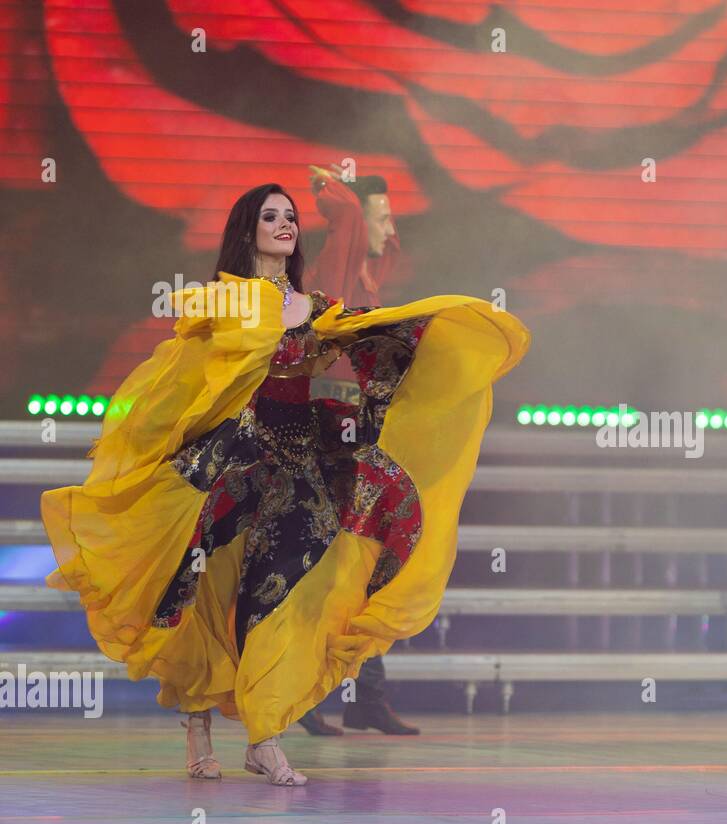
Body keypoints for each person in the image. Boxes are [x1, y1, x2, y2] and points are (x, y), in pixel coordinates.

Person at [40, 183, 530, 784]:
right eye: (271, 216)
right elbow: (182, 381)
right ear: (248, 230)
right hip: (235, 459)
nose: (285, 225)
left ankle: (264, 735)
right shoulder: (222, 301)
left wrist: (444, 333)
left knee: (276, 592)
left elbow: (374, 334)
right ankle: (199, 728)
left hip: (300, 461)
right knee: (198, 587)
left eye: (291, 217)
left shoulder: (314, 306)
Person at [294, 164, 415, 737]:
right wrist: (333, 189)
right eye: (384, 217)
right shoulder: (337, 270)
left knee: (366, 560)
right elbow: (343, 213)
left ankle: (365, 696)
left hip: (360, 430)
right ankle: (305, 695)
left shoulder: (369, 276)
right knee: (324, 561)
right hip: (323, 430)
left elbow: (381, 244)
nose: (392, 228)